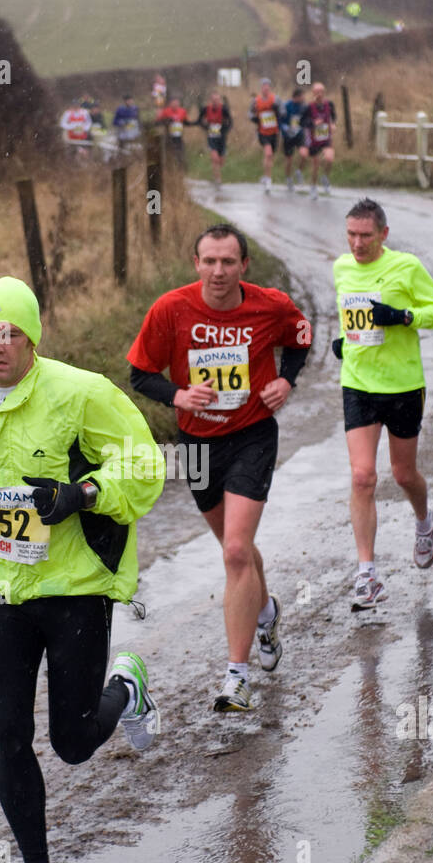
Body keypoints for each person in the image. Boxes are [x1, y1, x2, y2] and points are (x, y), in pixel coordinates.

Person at [0, 277, 165, 863]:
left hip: (75, 587)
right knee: (9, 730)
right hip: (2, 587)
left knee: (73, 740)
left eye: (12, 333)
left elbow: (145, 464)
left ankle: (128, 686)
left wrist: (81, 495)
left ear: (34, 338)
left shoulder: (81, 392)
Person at [127, 224, 311, 712]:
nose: (218, 271)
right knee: (239, 550)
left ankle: (236, 677)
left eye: (228, 261)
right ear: (196, 263)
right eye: (209, 261)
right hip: (198, 445)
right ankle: (266, 613)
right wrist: (178, 394)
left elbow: (300, 338)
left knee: (234, 553)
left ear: (244, 266)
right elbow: (140, 373)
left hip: (252, 435)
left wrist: (286, 382)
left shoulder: (269, 305)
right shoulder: (171, 309)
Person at [331, 199, 433, 611]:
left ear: (383, 233)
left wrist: (400, 316)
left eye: (365, 235)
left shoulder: (407, 267)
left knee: (403, 474)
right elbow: (351, 319)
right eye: (351, 234)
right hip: (358, 383)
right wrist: (344, 342)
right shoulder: (341, 268)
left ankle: (423, 522)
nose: (357, 243)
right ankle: (367, 575)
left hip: (403, 385)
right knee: (363, 477)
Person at [194, 90, 232, 189]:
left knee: (220, 161)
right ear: (211, 100)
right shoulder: (206, 109)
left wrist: (225, 129)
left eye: (217, 100)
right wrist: (205, 127)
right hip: (211, 138)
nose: (215, 102)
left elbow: (230, 121)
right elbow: (199, 120)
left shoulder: (224, 109)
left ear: (220, 100)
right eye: (213, 100)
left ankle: (216, 174)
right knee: (215, 158)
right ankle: (218, 180)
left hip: (222, 138)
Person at [248, 78, 282, 191]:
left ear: (270, 88)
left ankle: (265, 175)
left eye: (267, 87)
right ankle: (268, 179)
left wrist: (277, 110)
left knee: (270, 156)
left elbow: (283, 112)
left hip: (274, 132)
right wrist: (254, 118)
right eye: (263, 86)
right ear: (261, 88)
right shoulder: (256, 101)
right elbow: (250, 113)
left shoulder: (275, 99)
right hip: (262, 132)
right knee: (268, 153)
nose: (265, 89)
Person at [305, 82, 336, 197]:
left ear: (324, 93)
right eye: (317, 92)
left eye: (321, 92)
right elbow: (303, 122)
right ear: (313, 93)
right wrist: (313, 123)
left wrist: (333, 124)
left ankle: (325, 178)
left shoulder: (329, 104)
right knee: (316, 164)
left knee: (329, 158)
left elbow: (333, 116)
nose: (319, 94)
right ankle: (313, 186)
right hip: (313, 140)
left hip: (325, 138)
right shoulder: (309, 107)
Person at [280, 88, 309, 192]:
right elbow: (280, 121)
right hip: (288, 136)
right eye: (302, 96)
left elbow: (306, 119)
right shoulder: (287, 106)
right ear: (296, 97)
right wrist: (285, 129)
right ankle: (288, 178)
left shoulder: (304, 106)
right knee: (289, 159)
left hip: (299, 134)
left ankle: (298, 172)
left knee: (304, 154)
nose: (304, 98)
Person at [155, 95, 191, 163]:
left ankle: (180, 166)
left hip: (179, 136)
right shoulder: (166, 111)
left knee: (180, 152)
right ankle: (169, 165)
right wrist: (167, 120)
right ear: (170, 104)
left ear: (179, 103)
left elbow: (187, 122)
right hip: (169, 136)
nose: (175, 105)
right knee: (169, 151)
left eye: (177, 103)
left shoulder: (182, 111)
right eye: (173, 103)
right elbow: (158, 122)